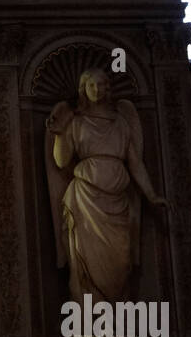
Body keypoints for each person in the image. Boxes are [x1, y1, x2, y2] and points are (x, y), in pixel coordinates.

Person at [46, 68, 167, 303]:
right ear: (84, 89)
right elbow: (61, 161)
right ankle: (90, 313)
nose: (97, 90)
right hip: (85, 199)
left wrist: (152, 195)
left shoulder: (121, 122)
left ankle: (117, 312)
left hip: (118, 200)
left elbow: (135, 163)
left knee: (121, 259)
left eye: (102, 85)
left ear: (108, 88)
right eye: (92, 85)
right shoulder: (76, 122)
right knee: (87, 259)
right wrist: (60, 134)